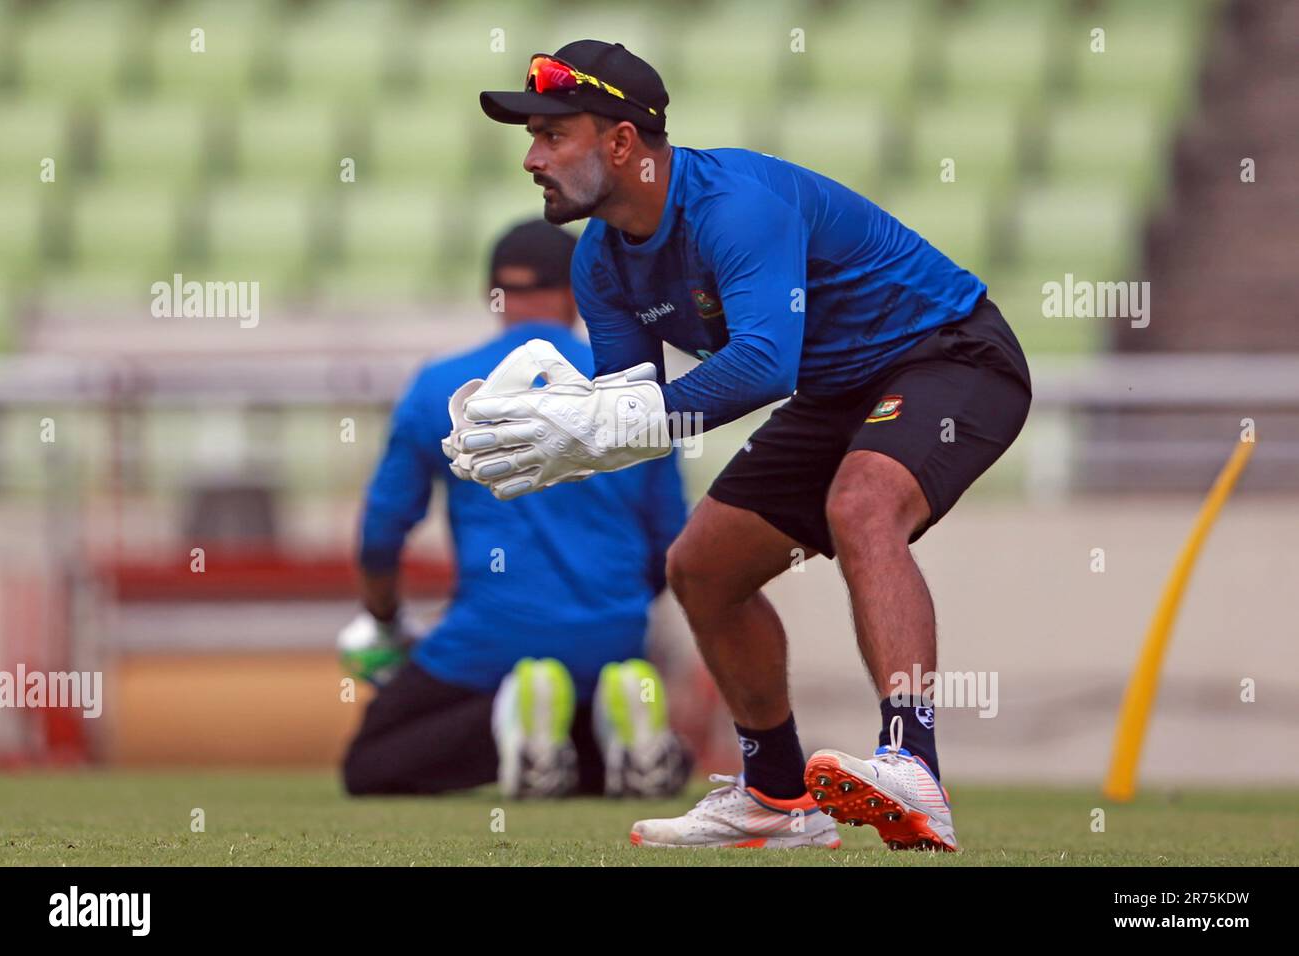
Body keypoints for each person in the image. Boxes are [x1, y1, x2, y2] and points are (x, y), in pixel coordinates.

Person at [446, 40, 1033, 850]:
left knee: (860, 504)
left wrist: (614, 426)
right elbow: (632, 411)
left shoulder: (735, 204)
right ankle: (778, 796)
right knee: (701, 567)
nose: (531, 158)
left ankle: (914, 764)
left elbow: (761, 363)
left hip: (952, 352)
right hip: (834, 388)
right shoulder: (600, 263)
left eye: (553, 135)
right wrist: (575, 444)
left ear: (621, 142)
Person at [340, 218, 691, 800]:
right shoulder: (635, 391)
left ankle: (514, 715)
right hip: (613, 638)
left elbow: (382, 531)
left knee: (372, 763)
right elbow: (670, 543)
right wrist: (611, 610)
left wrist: (383, 618)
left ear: (492, 294)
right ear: (581, 293)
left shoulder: (439, 386)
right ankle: (625, 735)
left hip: (489, 641)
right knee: (576, 736)